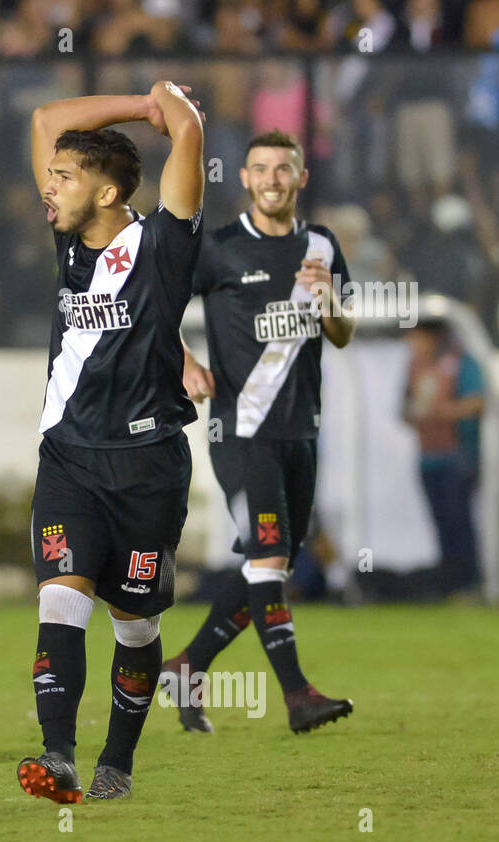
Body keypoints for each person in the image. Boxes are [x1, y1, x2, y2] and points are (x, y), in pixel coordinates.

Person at [17, 81, 204, 804]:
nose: (50, 187)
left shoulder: (160, 243)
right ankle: (57, 758)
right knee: (60, 601)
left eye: (65, 178)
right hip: (68, 459)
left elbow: (188, 133)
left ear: (105, 191)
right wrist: (136, 101)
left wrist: (169, 105)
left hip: (150, 466)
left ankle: (117, 763)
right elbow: (45, 116)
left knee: (135, 625)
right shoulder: (68, 239)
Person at [162, 129, 355, 735]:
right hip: (240, 430)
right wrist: (188, 362)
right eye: (261, 169)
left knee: (267, 567)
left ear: (301, 178)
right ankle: (298, 696)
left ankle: (187, 667)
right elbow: (155, 307)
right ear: (243, 179)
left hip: (301, 430)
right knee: (269, 555)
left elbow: (342, 332)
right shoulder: (220, 249)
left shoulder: (321, 246)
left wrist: (329, 305)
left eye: (283, 169)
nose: (272, 179)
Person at [403, 317, 484, 597]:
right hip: (428, 457)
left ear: (433, 337)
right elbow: (404, 407)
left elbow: (476, 403)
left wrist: (441, 412)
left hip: (456, 455)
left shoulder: (461, 362)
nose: (410, 343)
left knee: (458, 519)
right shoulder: (415, 367)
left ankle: (471, 583)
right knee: (440, 521)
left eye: (416, 336)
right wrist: (415, 415)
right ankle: (450, 583)